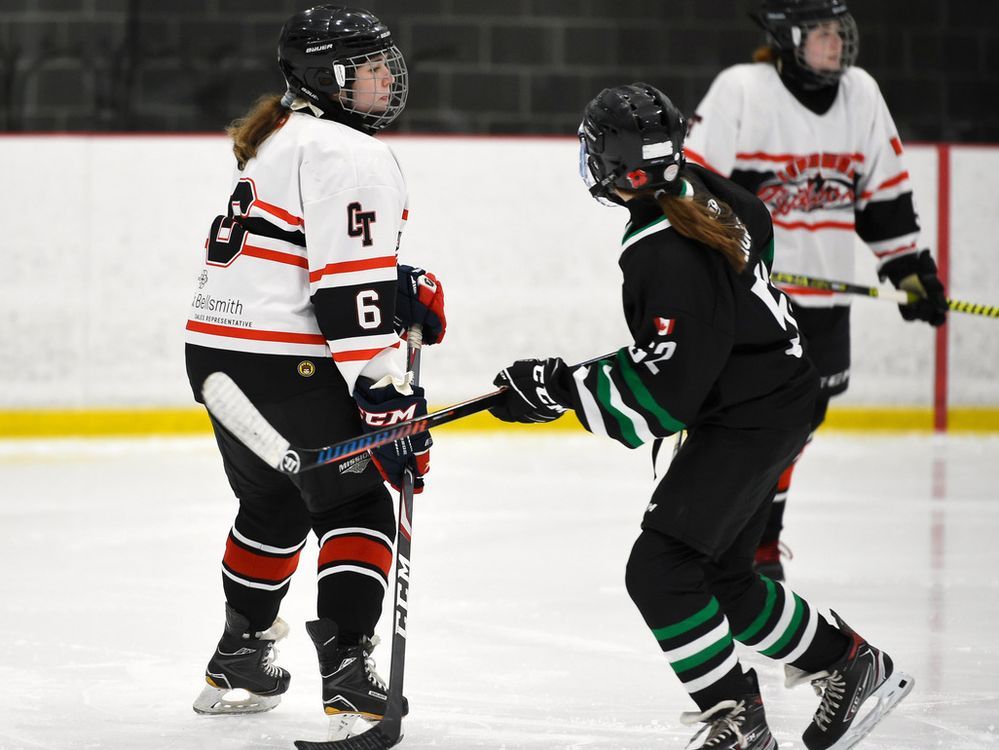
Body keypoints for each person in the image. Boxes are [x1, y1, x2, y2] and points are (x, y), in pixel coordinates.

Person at [488, 83, 912, 749]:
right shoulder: (701, 189)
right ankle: (846, 662)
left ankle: (737, 720)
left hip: (749, 415)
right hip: (771, 397)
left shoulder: (661, 248)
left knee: (659, 570)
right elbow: (702, 333)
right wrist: (563, 386)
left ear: (612, 164)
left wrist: (560, 389)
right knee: (723, 577)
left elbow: (668, 387)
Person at [183, 4, 446, 739]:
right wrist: (387, 397)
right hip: (288, 365)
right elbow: (345, 296)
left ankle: (239, 653)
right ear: (322, 77)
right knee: (356, 506)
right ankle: (350, 682)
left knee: (273, 505)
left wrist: (398, 281)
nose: (383, 80)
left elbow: (305, 258)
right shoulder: (348, 152)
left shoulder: (277, 140)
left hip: (219, 360)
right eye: (364, 68)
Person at [683, 0, 948, 580]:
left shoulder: (862, 95)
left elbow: (884, 196)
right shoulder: (742, 91)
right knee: (745, 423)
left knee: (797, 427)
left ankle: (756, 542)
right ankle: (729, 540)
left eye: (839, 34)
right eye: (823, 34)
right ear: (787, 37)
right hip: (758, 298)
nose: (837, 45)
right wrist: (731, 256)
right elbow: (692, 189)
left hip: (826, 306)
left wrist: (909, 269)